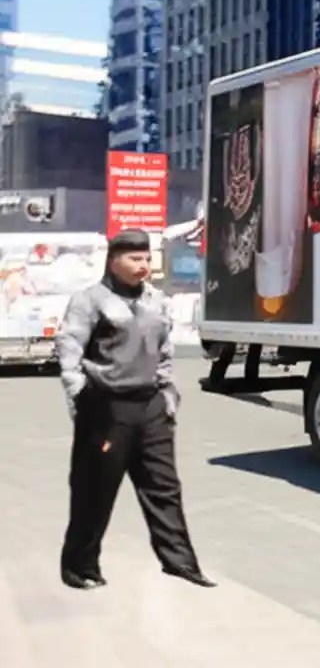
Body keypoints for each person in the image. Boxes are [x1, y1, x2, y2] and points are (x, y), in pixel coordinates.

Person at [55, 229, 216, 590]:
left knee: (164, 488)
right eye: (134, 259)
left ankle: (180, 563)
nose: (143, 266)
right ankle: (80, 567)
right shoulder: (90, 300)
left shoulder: (155, 300)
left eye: (146, 259)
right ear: (114, 260)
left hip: (151, 407)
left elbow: (164, 350)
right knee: (95, 491)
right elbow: (70, 348)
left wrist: (167, 394)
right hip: (107, 408)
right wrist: (79, 396)